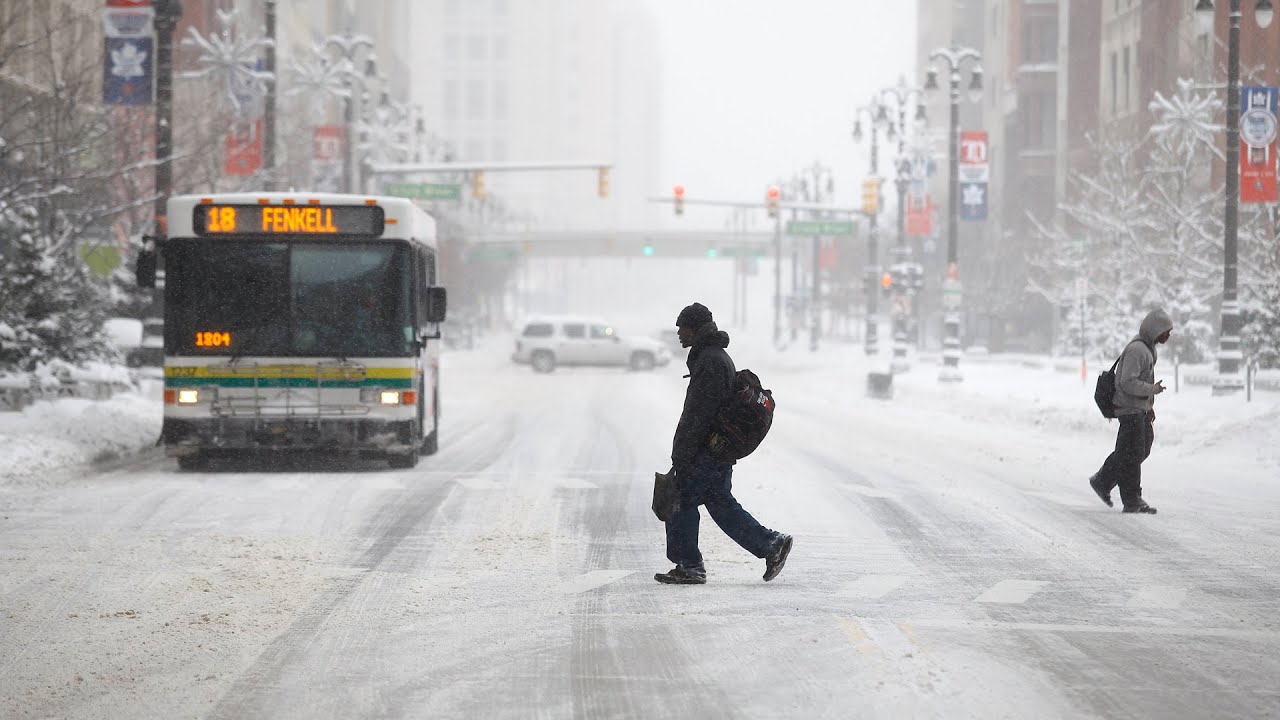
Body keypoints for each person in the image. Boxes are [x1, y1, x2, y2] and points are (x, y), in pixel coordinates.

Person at [655, 302, 793, 585]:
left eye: (683, 327)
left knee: (681, 499)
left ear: (695, 329)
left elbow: (698, 413)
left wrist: (682, 454)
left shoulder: (711, 361)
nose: (679, 332)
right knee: (720, 503)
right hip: (715, 449)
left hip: (707, 450)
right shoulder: (712, 357)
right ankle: (770, 545)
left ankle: (690, 565)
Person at [1089, 308, 1174, 514]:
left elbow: (1140, 380)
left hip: (1139, 409)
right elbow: (1127, 382)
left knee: (1138, 450)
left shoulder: (1147, 349)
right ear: (1155, 330)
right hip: (1129, 409)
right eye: (1165, 331)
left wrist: (1149, 406)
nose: (1168, 335)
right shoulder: (1138, 350)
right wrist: (1151, 391)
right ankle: (1132, 499)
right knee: (1131, 454)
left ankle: (1103, 480)